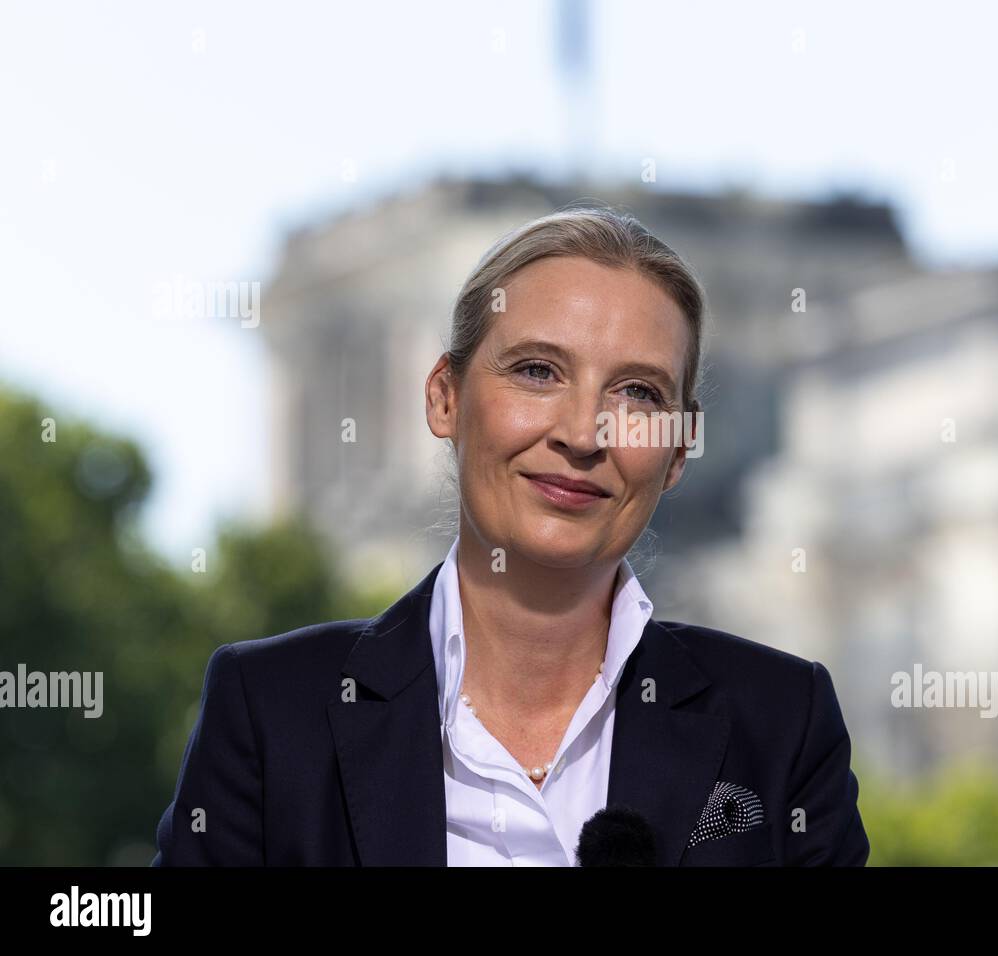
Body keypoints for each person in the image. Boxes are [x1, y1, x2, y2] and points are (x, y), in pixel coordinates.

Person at [152, 204, 869, 866]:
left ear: (679, 451)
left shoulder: (780, 723)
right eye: (537, 371)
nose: (583, 433)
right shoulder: (273, 711)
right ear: (444, 397)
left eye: (639, 393)